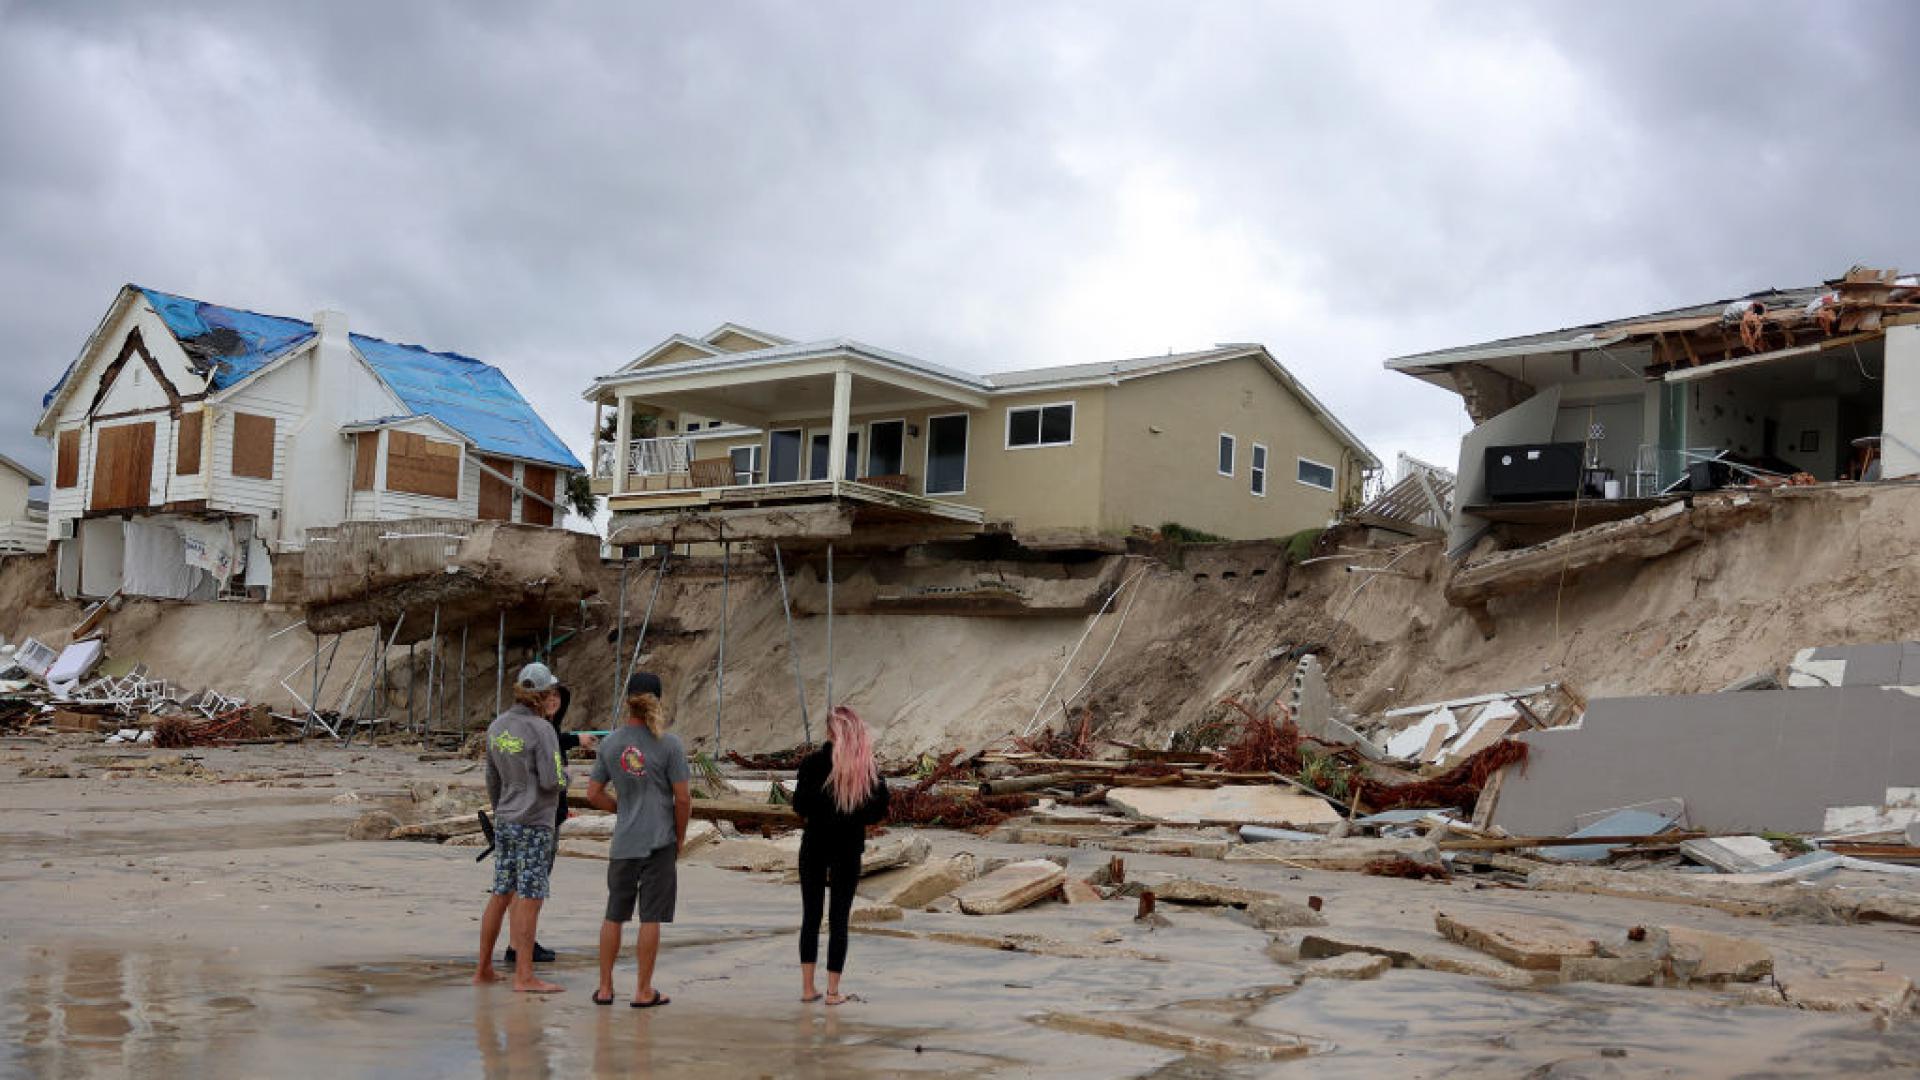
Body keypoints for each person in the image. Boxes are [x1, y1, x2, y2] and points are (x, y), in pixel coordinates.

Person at [587, 671, 690, 1008]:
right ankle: (643, 990)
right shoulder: (669, 744)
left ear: (627, 699)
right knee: (650, 917)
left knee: (614, 914)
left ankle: (604, 987)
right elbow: (683, 799)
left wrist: (621, 808)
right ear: (657, 700)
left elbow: (593, 794)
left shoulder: (611, 743)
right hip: (658, 839)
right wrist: (680, 837)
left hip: (624, 841)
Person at [474, 662, 567, 994]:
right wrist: (567, 779)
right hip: (534, 821)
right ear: (541, 695)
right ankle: (525, 975)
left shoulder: (497, 726)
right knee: (530, 897)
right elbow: (551, 779)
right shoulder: (542, 730)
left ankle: (483, 967)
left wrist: (501, 810)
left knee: (501, 893)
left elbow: (491, 777)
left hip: (507, 819)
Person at [792, 706, 890, 1005]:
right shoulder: (866, 768)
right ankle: (833, 992)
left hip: (814, 845)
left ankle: (808, 989)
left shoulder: (812, 764)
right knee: (838, 920)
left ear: (828, 732)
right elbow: (878, 810)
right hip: (848, 848)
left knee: (811, 916)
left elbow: (799, 805)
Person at [509, 683, 598, 966]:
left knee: (520, 885)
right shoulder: (539, 728)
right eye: (549, 695)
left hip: (537, 814)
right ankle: (521, 946)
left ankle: (519, 943)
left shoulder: (540, 727)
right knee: (530, 886)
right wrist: (568, 770)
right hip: (538, 816)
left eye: (558, 696)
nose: (554, 701)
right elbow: (550, 768)